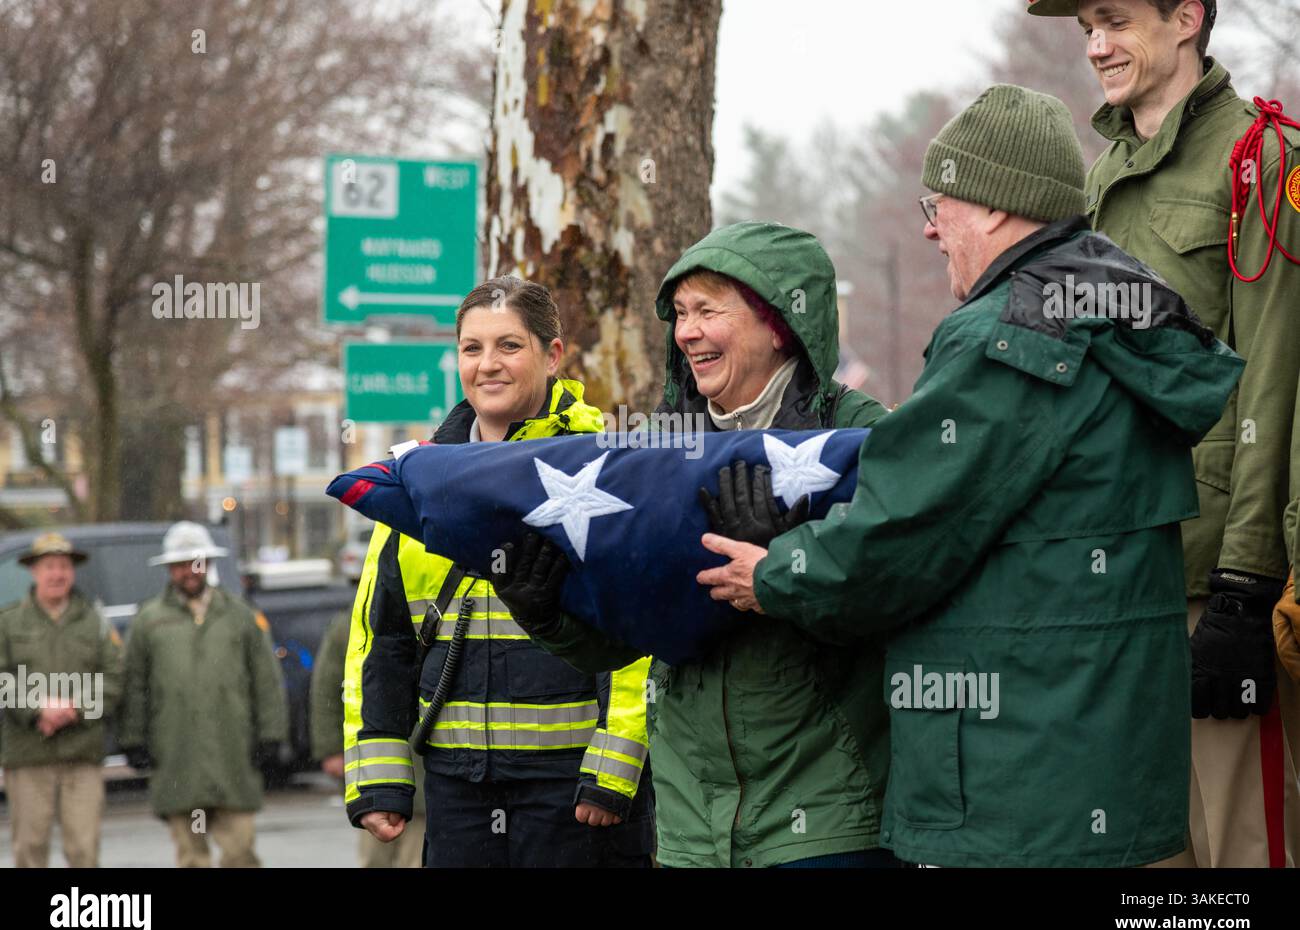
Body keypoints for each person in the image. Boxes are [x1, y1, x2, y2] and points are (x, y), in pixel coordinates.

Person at [699, 85, 1244, 867]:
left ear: (994, 208)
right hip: (1100, 767)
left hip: (1014, 781)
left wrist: (776, 571)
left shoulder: (1009, 334)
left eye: (940, 202)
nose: (928, 226)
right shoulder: (1112, 311)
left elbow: (904, 526)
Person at [498, 222, 893, 868]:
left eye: (709, 309)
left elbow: (892, 589)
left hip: (827, 825)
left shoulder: (860, 433)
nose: (686, 332)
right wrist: (550, 612)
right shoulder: (655, 451)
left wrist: (786, 560)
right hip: (689, 834)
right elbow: (625, 632)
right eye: (680, 313)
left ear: (778, 325)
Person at [1029, 0, 1300, 868]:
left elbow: (1278, 376)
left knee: (1244, 854)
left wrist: (1245, 587)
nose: (1097, 45)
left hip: (1209, 578)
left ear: (1187, 16)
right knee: (1151, 871)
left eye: (1115, 20)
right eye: (1086, 30)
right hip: (1123, 580)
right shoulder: (1101, 177)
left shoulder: (1260, 160)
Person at [345, 276, 655, 868]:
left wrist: (616, 768)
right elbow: (379, 640)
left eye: (509, 345)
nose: (488, 364)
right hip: (458, 794)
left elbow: (642, 636)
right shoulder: (417, 479)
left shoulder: (608, 467)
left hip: (576, 793)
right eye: (472, 348)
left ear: (553, 354)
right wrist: (381, 781)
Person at [118, 521, 288, 868]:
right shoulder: (149, 621)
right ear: (169, 569)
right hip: (179, 764)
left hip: (234, 758)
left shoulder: (240, 616)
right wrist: (133, 740)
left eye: (195, 562)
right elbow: (135, 685)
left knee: (240, 852)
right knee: (192, 856)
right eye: (180, 565)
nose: (189, 571)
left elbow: (266, 681)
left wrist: (271, 736)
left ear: (208, 564)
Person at [0, 532, 123, 868]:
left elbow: (114, 677)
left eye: (64, 566)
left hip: (81, 754)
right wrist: (38, 708)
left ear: (73, 571)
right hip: (28, 754)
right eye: (49, 566)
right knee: (29, 850)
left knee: (84, 851)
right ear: (34, 571)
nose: (57, 574)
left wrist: (74, 709)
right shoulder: (8, 623)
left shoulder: (95, 623)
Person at [312, 591, 425, 867]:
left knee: (417, 855)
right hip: (373, 768)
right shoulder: (348, 624)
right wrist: (330, 749)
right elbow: (326, 688)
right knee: (375, 857)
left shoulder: (430, 609)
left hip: (422, 769)